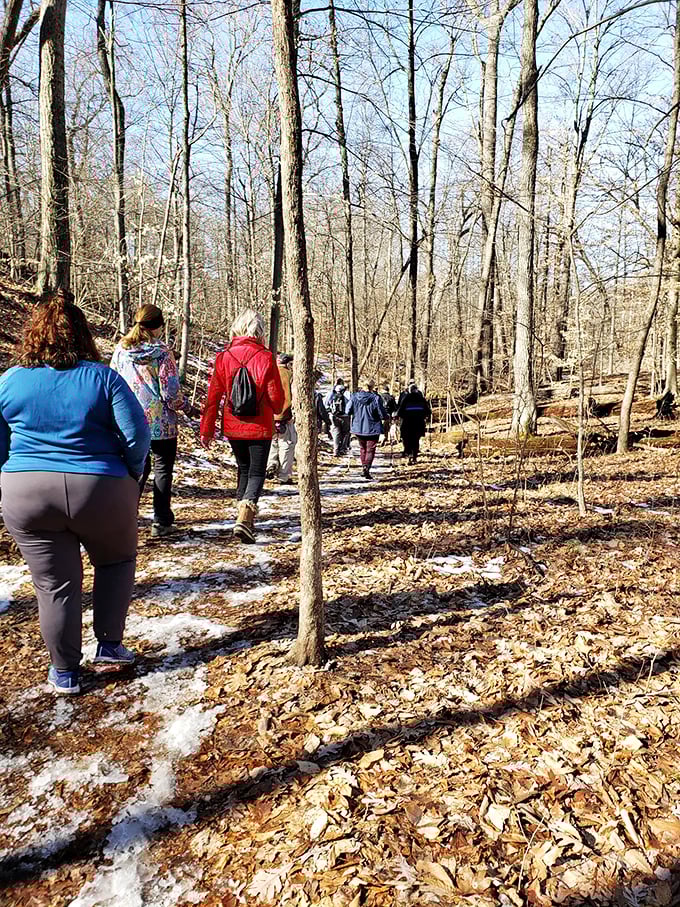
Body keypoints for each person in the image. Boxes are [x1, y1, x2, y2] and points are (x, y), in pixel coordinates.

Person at [0, 290, 150, 695]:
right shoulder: (103, 378)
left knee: (54, 584)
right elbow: (137, 435)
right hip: (101, 486)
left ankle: (64, 671)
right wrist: (129, 475)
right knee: (115, 561)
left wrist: (11, 472)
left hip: (27, 492)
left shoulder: (10, 381)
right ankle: (109, 646)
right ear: (83, 335)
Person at [110, 304, 197, 538]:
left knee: (136, 471)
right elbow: (170, 393)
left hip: (130, 420)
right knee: (162, 470)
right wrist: (188, 407)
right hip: (162, 423)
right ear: (158, 326)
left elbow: (113, 382)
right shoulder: (163, 353)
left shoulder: (121, 351)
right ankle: (161, 521)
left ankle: (125, 518)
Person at [200, 309, 284, 543]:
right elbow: (276, 401)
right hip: (260, 425)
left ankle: (243, 516)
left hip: (233, 424)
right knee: (256, 472)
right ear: (259, 331)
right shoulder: (266, 357)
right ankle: (245, 518)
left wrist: (206, 430)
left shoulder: (223, 357)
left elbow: (212, 398)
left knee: (243, 468)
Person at [266, 353, 297, 485]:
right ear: (288, 363)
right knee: (287, 445)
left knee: (272, 443)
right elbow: (294, 396)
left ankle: (270, 465)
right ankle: (283, 475)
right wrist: (293, 414)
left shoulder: (269, 373)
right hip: (285, 415)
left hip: (269, 416)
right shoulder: (290, 376)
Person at [347, 379, 387, 479]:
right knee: (370, 449)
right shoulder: (376, 398)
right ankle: (366, 468)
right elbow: (381, 414)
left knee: (362, 448)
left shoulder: (354, 396)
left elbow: (347, 410)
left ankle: (364, 466)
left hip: (358, 427)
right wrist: (385, 417)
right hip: (373, 427)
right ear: (372, 387)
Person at [395, 380, 432, 464]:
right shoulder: (421, 399)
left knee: (408, 439)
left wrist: (400, 417)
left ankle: (409, 454)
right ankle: (414, 456)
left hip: (407, 423)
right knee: (416, 440)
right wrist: (424, 416)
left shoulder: (406, 398)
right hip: (418, 423)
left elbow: (400, 411)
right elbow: (428, 412)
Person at [325, 378, 351, 456]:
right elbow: (350, 404)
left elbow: (326, 404)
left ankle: (336, 450)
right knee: (346, 432)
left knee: (336, 432)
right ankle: (343, 449)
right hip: (345, 416)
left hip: (334, 416)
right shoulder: (347, 393)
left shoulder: (331, 393)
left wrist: (330, 411)